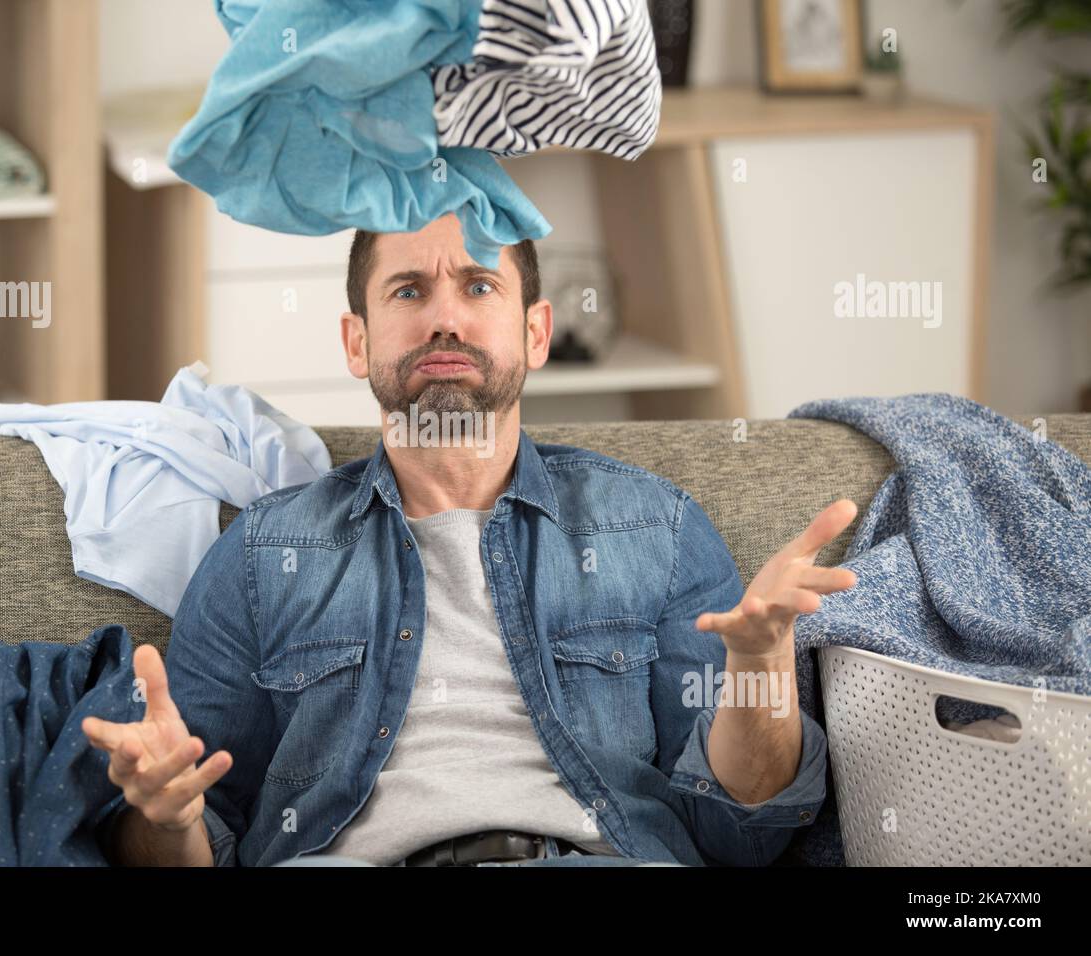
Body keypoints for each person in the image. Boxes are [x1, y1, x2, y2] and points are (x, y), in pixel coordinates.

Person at [82, 212, 858, 867]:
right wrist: (167, 816)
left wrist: (761, 667)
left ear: (535, 332)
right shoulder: (262, 556)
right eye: (409, 290)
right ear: (357, 342)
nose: (444, 317)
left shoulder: (657, 528)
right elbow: (195, 838)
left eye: (478, 286)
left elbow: (737, 834)